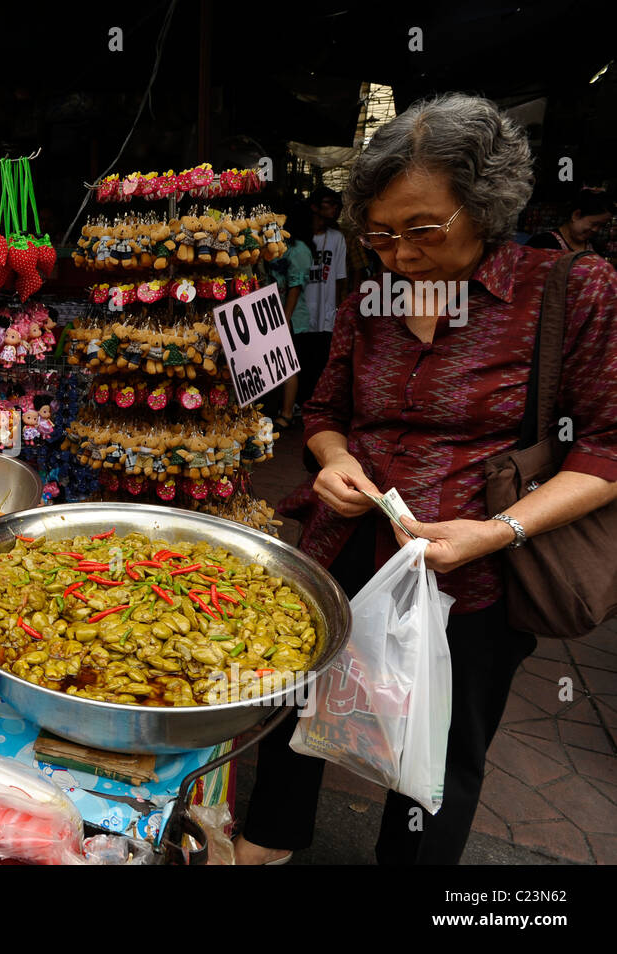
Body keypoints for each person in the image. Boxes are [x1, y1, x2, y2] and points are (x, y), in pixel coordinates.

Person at [234, 93, 617, 865]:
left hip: (477, 576)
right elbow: (326, 411)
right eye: (379, 233)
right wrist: (336, 460)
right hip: (343, 548)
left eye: (421, 231)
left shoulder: (572, 289)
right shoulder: (370, 299)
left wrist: (495, 531)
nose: (399, 255)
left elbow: (605, 447)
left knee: (440, 746)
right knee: (298, 705)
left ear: (486, 208)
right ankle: (266, 843)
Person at [297, 186, 348, 411]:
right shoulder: (299, 239)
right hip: (300, 311)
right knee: (301, 358)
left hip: (325, 311)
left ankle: (315, 404)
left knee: (321, 360)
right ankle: (299, 401)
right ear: (315, 207)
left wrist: (337, 311)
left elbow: (339, 278)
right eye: (330, 203)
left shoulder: (337, 239)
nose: (335, 208)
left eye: (337, 204)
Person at [270, 201, 314, 429]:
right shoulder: (277, 243)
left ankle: (287, 413)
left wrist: (285, 319)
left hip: (290, 318)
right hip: (271, 315)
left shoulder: (299, 250)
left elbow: (295, 286)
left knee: (288, 364)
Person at [524, 186, 613, 253]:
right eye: (594, 224)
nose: (596, 230)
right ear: (576, 215)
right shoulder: (542, 243)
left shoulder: (595, 248)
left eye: (601, 226)